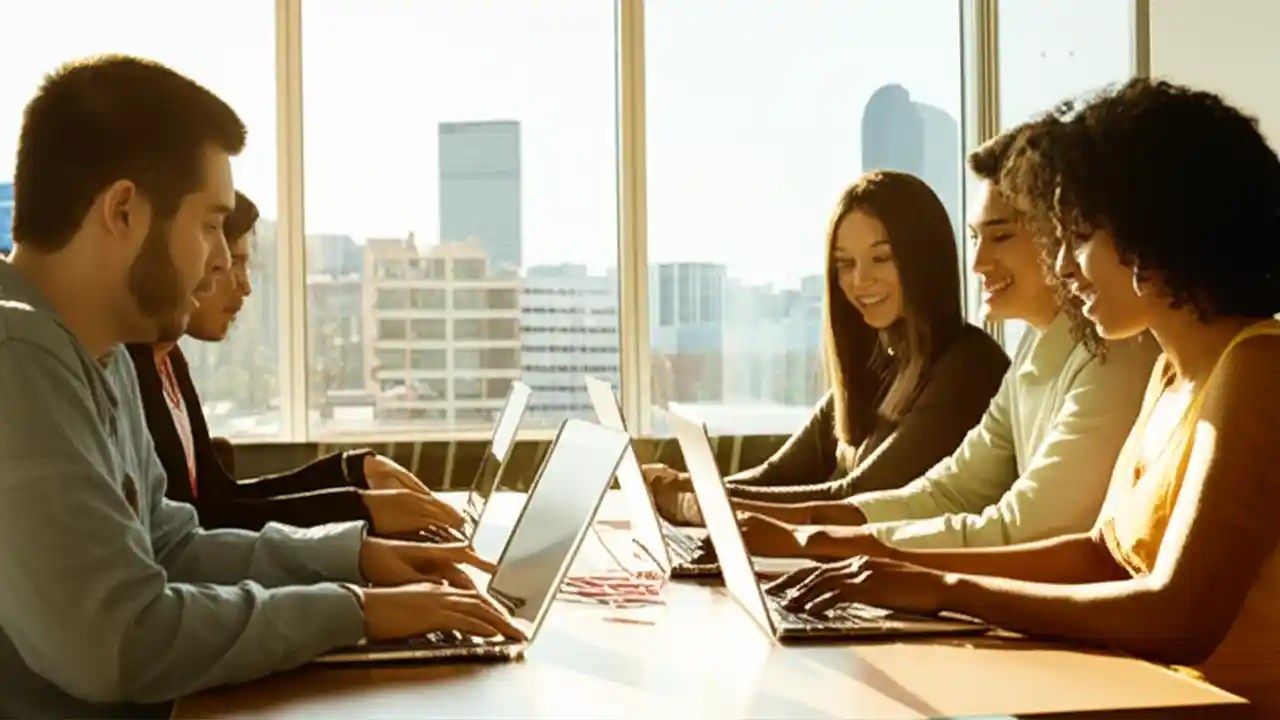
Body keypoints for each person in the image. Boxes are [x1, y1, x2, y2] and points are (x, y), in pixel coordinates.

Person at [0, 56, 521, 719]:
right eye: (210, 223)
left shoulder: (94, 352)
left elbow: (173, 549)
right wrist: (354, 610)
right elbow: (119, 642)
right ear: (124, 210)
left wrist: (356, 560)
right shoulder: (16, 356)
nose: (222, 258)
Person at [768, 79, 1280, 713]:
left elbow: (1180, 616)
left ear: (1156, 230)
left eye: (1082, 236)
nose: (1064, 266)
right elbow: (1102, 555)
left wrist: (948, 588)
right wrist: (896, 568)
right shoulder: (1172, 374)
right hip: (1134, 698)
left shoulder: (1259, 367)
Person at [728, 118, 1160, 558]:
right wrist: (811, 531)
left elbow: (1021, 531)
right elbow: (945, 493)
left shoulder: (1113, 354)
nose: (977, 262)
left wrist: (828, 541)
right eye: (975, 238)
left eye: (1002, 236)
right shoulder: (1034, 349)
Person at [645, 170, 1010, 526]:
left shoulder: (968, 367)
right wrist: (684, 486)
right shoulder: (880, 360)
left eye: (881, 258)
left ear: (924, 259)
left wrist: (696, 502)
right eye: (844, 264)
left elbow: (856, 498)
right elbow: (778, 474)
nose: (859, 280)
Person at [126, 191, 458, 535]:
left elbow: (220, 500)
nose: (244, 285)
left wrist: (353, 471)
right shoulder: (130, 371)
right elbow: (200, 528)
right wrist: (358, 508)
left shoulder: (169, 362)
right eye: (232, 263)